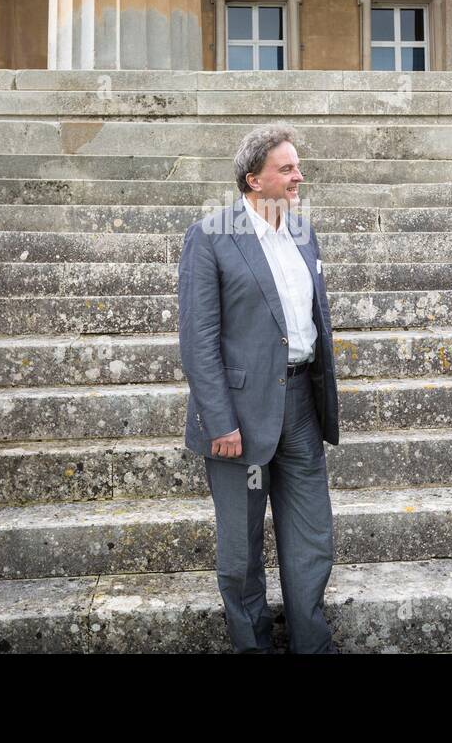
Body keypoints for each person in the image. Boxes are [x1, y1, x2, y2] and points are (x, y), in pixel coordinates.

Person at [177, 124, 340, 653]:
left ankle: (310, 644)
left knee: (312, 537)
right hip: (240, 416)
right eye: (286, 168)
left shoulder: (302, 230)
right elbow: (198, 338)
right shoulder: (211, 235)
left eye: (298, 166)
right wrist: (218, 419)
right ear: (253, 180)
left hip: (300, 407)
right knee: (241, 551)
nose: (299, 176)